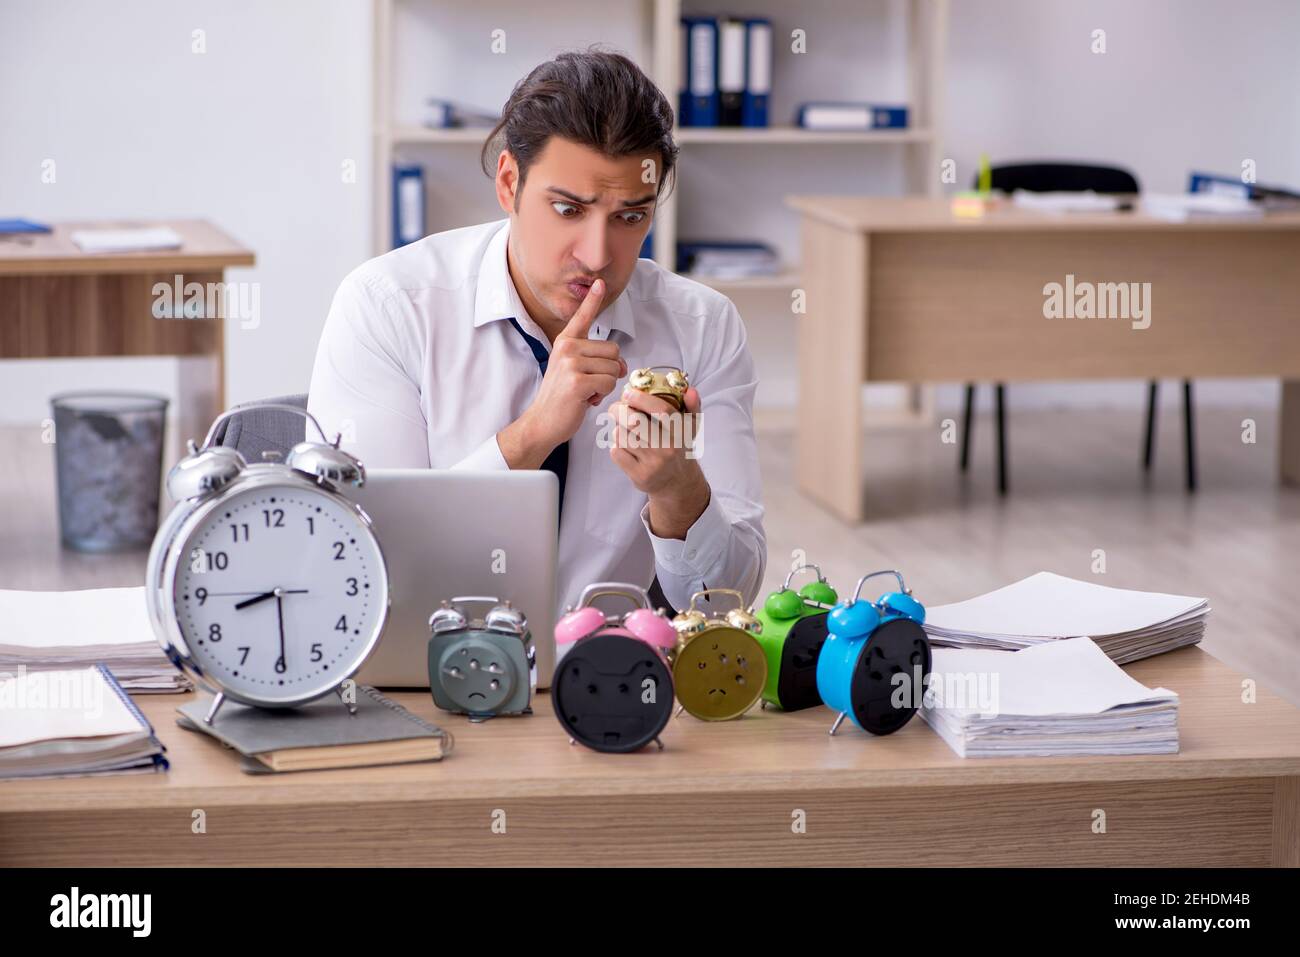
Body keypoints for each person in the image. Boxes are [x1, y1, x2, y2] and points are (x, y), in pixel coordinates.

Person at [308, 49, 765, 615]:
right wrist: (532, 435)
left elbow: (728, 604)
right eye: (569, 210)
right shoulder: (388, 306)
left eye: (630, 217)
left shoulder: (703, 327)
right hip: (425, 674)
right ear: (508, 183)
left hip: (608, 681)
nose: (598, 255)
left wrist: (678, 492)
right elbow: (359, 564)